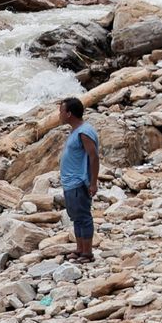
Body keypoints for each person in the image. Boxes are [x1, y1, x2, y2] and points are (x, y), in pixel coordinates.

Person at [57, 97, 100, 263]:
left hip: (78, 181)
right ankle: (80, 249)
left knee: (83, 216)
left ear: (69, 114)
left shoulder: (84, 132)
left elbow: (94, 156)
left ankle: (87, 253)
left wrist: (93, 182)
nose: (59, 114)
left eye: (61, 111)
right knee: (75, 217)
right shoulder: (75, 131)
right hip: (70, 182)